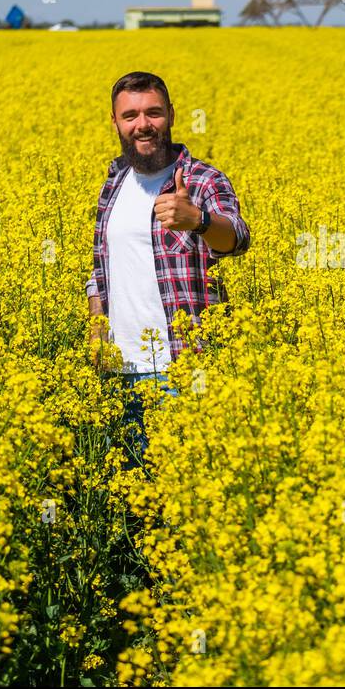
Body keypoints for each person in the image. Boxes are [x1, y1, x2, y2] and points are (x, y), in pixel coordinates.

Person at [85, 71, 251, 467]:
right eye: (130, 116)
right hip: (118, 374)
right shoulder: (114, 182)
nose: (142, 125)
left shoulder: (201, 180)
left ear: (172, 115)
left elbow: (238, 239)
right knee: (135, 498)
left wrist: (199, 219)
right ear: (115, 122)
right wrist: (96, 329)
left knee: (186, 490)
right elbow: (100, 267)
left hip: (184, 370)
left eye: (153, 113)